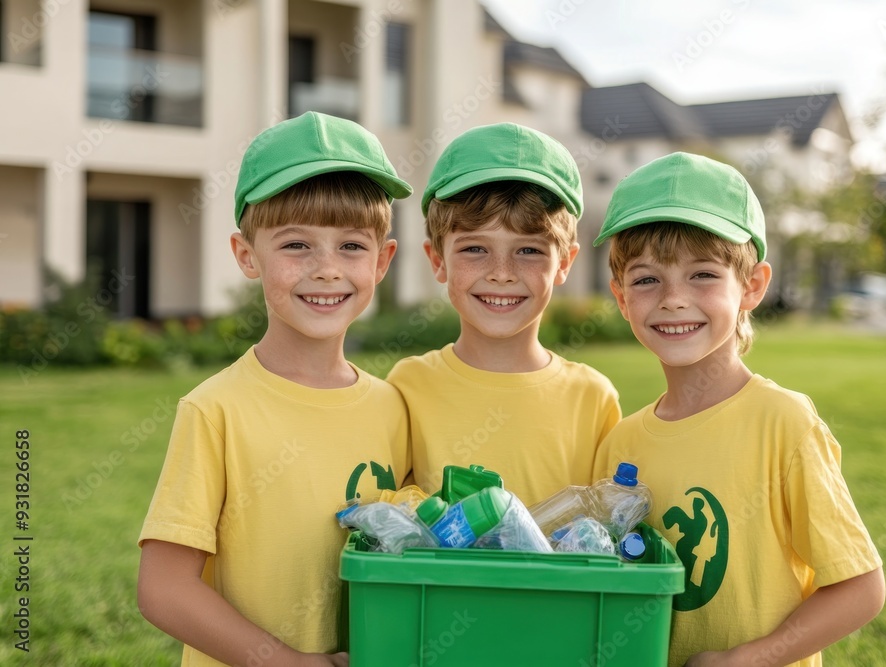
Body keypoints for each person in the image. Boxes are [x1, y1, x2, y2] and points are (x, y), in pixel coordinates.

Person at [136, 112, 413, 667]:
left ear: (383, 261)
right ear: (246, 255)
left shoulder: (393, 406)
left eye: (352, 247)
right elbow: (163, 588)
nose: (327, 269)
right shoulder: (216, 409)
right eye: (296, 245)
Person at [591, 152, 885, 667]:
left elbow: (860, 588)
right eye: (645, 279)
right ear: (620, 296)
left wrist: (747, 659)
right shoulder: (621, 443)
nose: (673, 299)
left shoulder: (783, 423)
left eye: (702, 274)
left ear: (751, 286)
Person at [387, 123, 621, 507]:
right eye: (474, 249)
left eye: (528, 251)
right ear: (437, 260)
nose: (501, 272)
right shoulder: (408, 387)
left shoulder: (593, 399)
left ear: (564, 263)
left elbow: (606, 528)